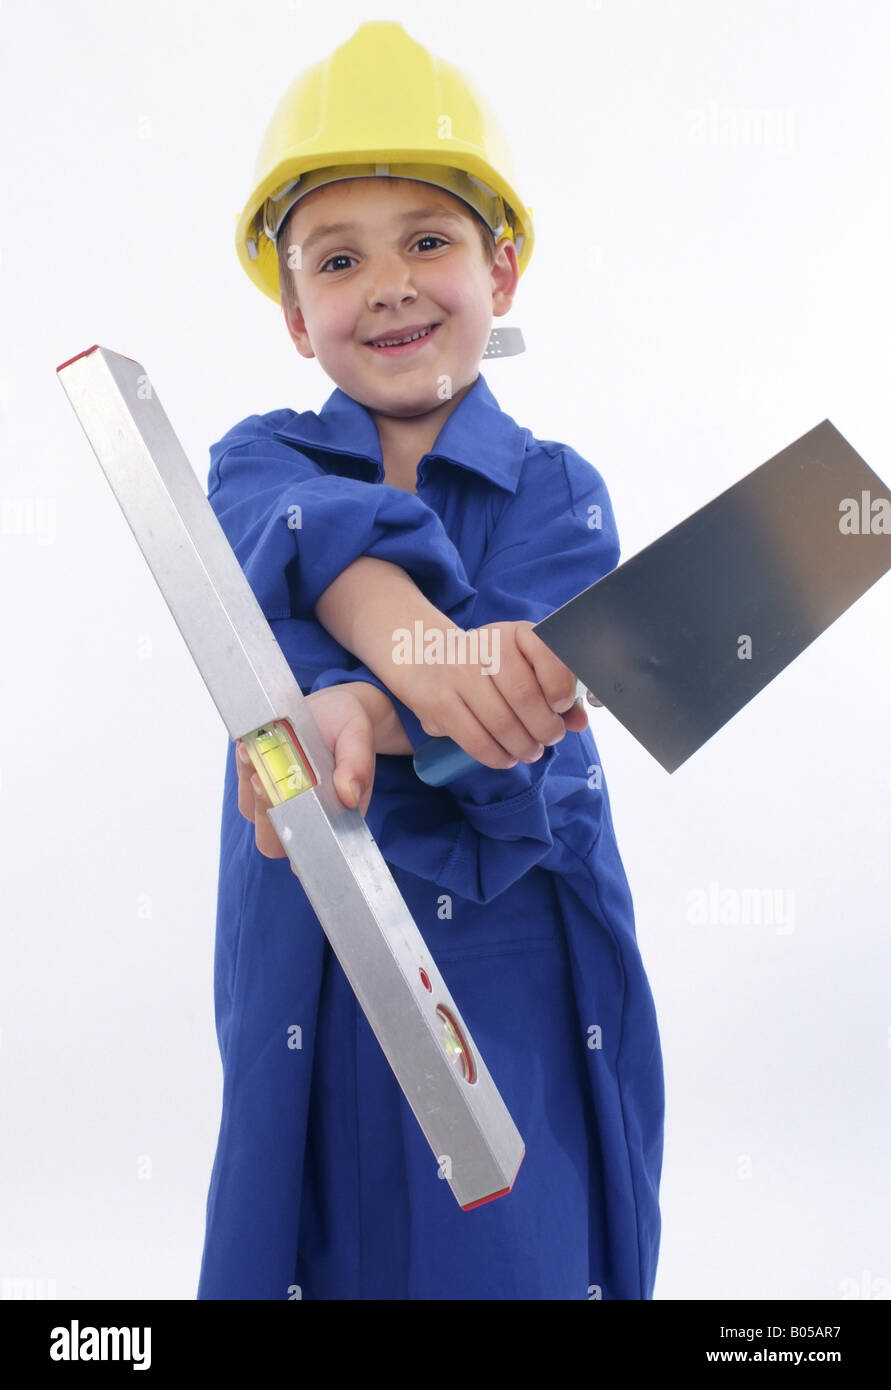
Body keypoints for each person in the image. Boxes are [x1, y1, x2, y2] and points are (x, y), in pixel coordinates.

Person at [196, 20, 664, 1301]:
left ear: (501, 272)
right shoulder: (258, 462)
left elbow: (510, 725)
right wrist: (402, 646)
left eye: (430, 240)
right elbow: (287, 549)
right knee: (311, 1238)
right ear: (295, 314)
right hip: (315, 954)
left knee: (511, 1243)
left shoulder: (559, 494)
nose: (391, 282)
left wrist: (368, 705)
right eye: (339, 259)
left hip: (510, 961)